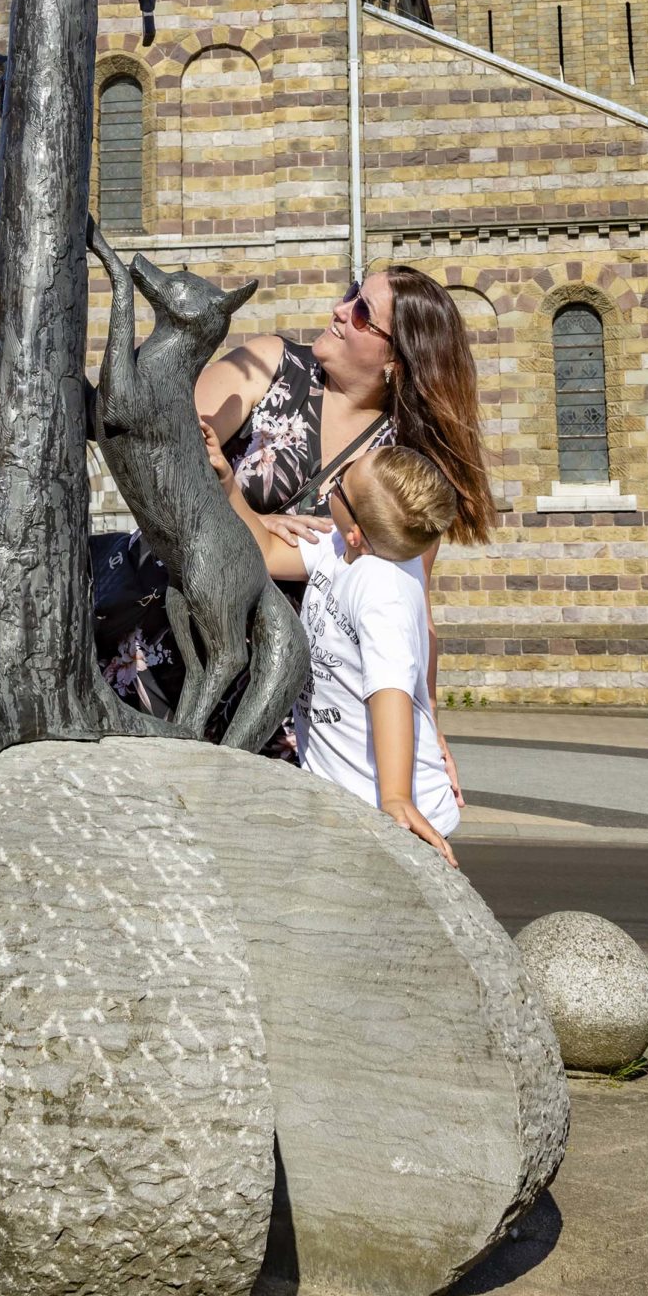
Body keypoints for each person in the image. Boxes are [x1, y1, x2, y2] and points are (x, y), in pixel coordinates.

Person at [193, 264, 494, 776]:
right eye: (352, 293)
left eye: (360, 312)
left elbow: (410, 605)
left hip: (284, 695)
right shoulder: (270, 364)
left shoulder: (401, 465)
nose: (339, 309)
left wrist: (429, 727)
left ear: (396, 358)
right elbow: (170, 453)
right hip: (180, 639)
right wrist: (255, 520)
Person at [215, 434, 462, 864]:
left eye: (341, 485)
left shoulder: (382, 588)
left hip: (394, 809)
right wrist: (228, 485)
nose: (333, 483)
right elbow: (269, 552)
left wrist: (397, 797)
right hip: (348, 793)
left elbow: (391, 691)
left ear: (355, 533)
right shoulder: (340, 549)